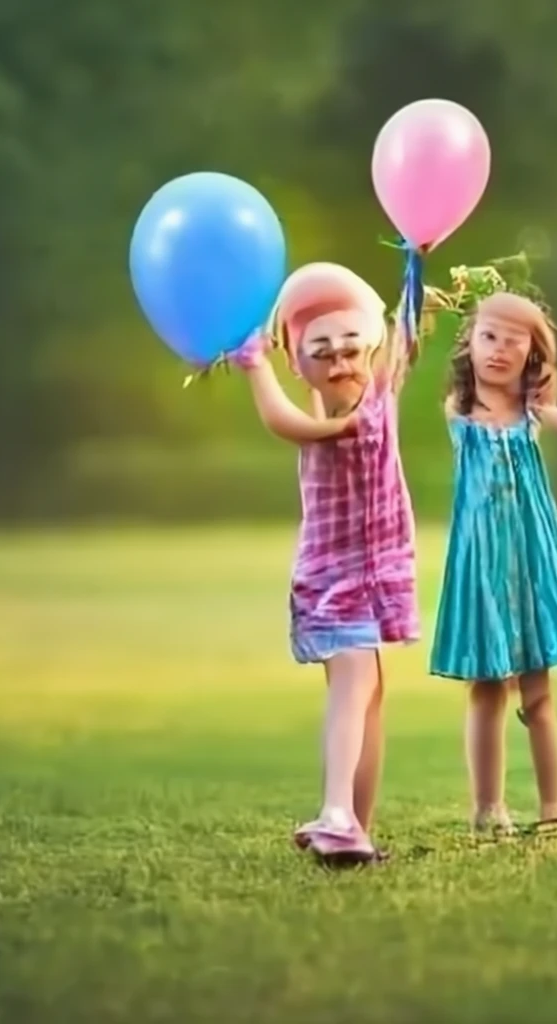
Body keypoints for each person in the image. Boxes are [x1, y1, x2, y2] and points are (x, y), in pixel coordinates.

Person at [232, 262, 419, 865]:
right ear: (300, 363)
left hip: (364, 582)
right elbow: (286, 422)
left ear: (371, 348)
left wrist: (414, 270)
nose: (339, 361)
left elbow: (402, 342)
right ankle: (337, 814)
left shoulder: (375, 398)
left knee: (369, 694)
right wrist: (256, 366)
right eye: (322, 353)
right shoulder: (351, 422)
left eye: (351, 349)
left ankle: (355, 826)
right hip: (339, 586)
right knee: (355, 686)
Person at [429, 283, 557, 836]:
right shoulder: (459, 411)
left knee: (538, 691)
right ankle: (489, 807)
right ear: (469, 345)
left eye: (515, 342)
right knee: (487, 690)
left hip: (531, 563)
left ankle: (552, 804)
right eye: (489, 336)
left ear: (533, 355)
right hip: (482, 565)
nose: (499, 351)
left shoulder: (535, 415)